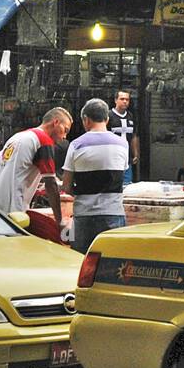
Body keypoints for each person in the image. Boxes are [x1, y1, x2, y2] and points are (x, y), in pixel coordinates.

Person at [61, 99, 131, 254]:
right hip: (113, 214)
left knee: (80, 262)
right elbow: (121, 174)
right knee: (112, 263)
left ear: (86, 119)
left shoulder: (76, 145)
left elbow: (66, 186)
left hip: (84, 216)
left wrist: (81, 194)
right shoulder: (122, 144)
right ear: (107, 119)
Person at [0, 108, 72, 227]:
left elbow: (18, 170)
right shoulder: (43, 141)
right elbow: (50, 184)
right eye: (65, 130)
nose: (64, 136)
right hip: (14, 211)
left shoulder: (18, 137)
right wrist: (59, 220)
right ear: (55, 122)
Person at [108, 91, 140, 185]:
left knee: (127, 185)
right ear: (115, 100)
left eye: (127, 99)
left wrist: (135, 153)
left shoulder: (131, 116)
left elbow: (134, 135)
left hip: (127, 157)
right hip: (112, 158)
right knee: (113, 184)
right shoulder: (109, 116)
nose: (125, 101)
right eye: (122, 99)